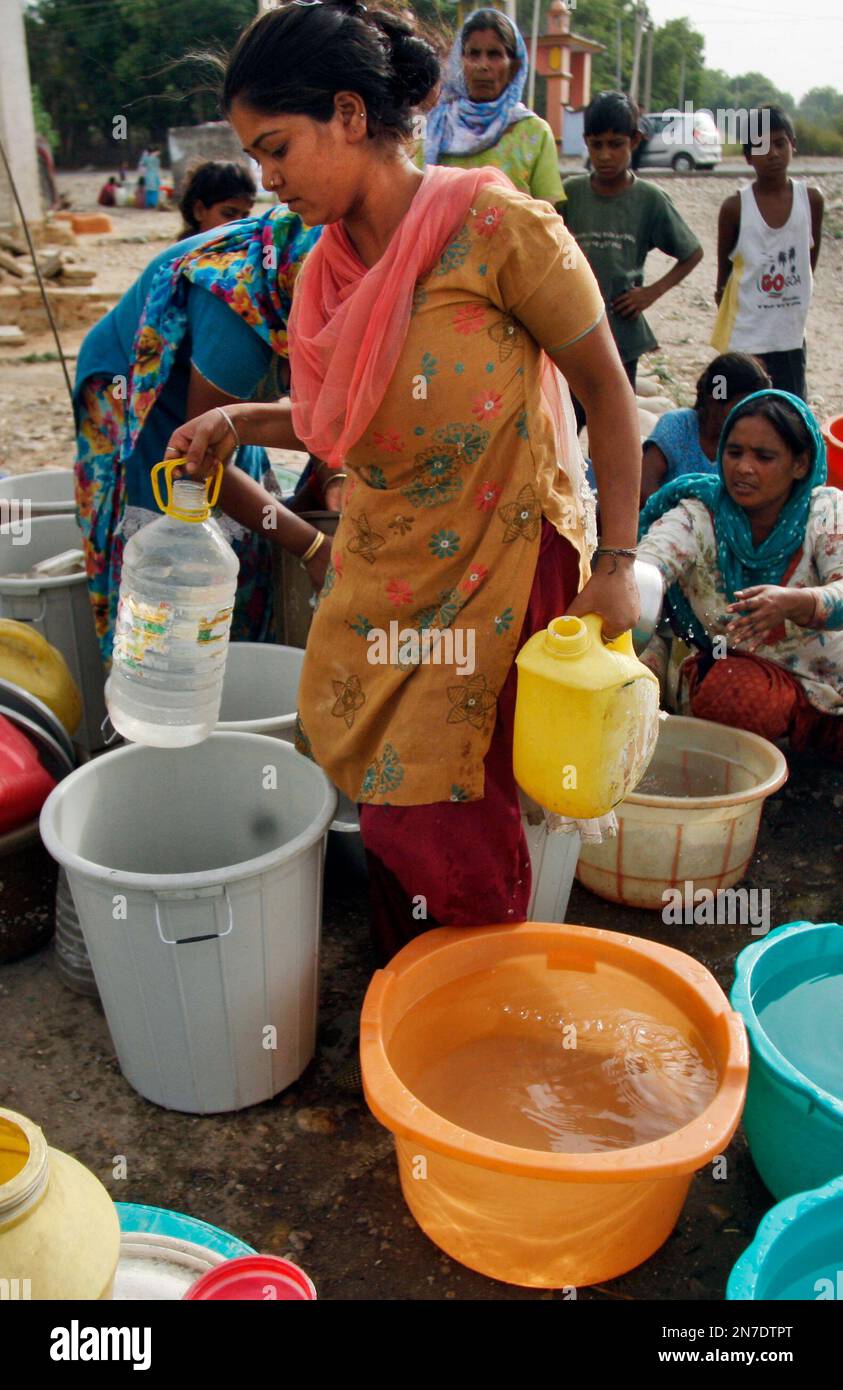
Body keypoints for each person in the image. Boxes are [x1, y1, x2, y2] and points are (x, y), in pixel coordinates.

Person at [166, 0, 643, 962]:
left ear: (350, 114)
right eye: (255, 157)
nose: (267, 179)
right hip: (386, 564)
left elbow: (608, 391)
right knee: (390, 806)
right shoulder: (332, 267)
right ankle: (416, 993)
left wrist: (622, 558)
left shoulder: (497, 227)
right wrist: (234, 419)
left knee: (443, 810)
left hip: (502, 554)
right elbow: (345, 413)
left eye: (278, 147)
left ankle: (482, 1015)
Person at [74, 205, 326, 663]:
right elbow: (203, 463)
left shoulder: (309, 275)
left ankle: (237, 658)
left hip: (214, 393)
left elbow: (339, 414)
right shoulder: (241, 310)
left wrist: (340, 482)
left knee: (245, 537)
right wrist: (313, 549)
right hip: (135, 393)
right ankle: (156, 681)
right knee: (168, 550)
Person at [638, 390, 843, 758]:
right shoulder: (698, 514)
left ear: (800, 464)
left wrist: (797, 602)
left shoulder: (825, 510)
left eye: (764, 457)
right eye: (734, 453)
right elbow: (650, 561)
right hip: (744, 670)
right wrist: (634, 584)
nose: (744, 468)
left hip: (832, 675)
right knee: (733, 694)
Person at [562, 91, 703, 425]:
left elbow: (691, 252)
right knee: (567, 422)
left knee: (612, 422)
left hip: (621, 333)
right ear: (586, 143)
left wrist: (650, 293)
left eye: (616, 144)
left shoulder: (649, 199)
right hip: (572, 330)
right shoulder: (570, 194)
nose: (605, 155)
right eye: (596, 145)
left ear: (635, 141)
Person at [712, 108, 823, 402]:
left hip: (789, 336)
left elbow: (808, 262)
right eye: (761, 146)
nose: (772, 153)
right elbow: (722, 280)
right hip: (746, 337)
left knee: (791, 411)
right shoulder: (735, 208)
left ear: (793, 144)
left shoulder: (811, 201)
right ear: (748, 156)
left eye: (780, 143)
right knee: (741, 408)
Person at [418, 8, 566, 211]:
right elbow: (412, 196)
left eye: (494, 54)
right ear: (460, 61)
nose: (482, 65)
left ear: (514, 66)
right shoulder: (435, 126)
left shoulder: (535, 132)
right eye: (474, 54)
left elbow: (548, 216)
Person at [640, 352, 771, 504]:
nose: (751, 414)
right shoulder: (679, 425)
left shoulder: (749, 439)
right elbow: (644, 485)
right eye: (743, 405)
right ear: (715, 400)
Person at [178, 160, 257, 238]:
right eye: (229, 214)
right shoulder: (182, 250)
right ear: (199, 210)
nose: (239, 226)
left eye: (245, 217)